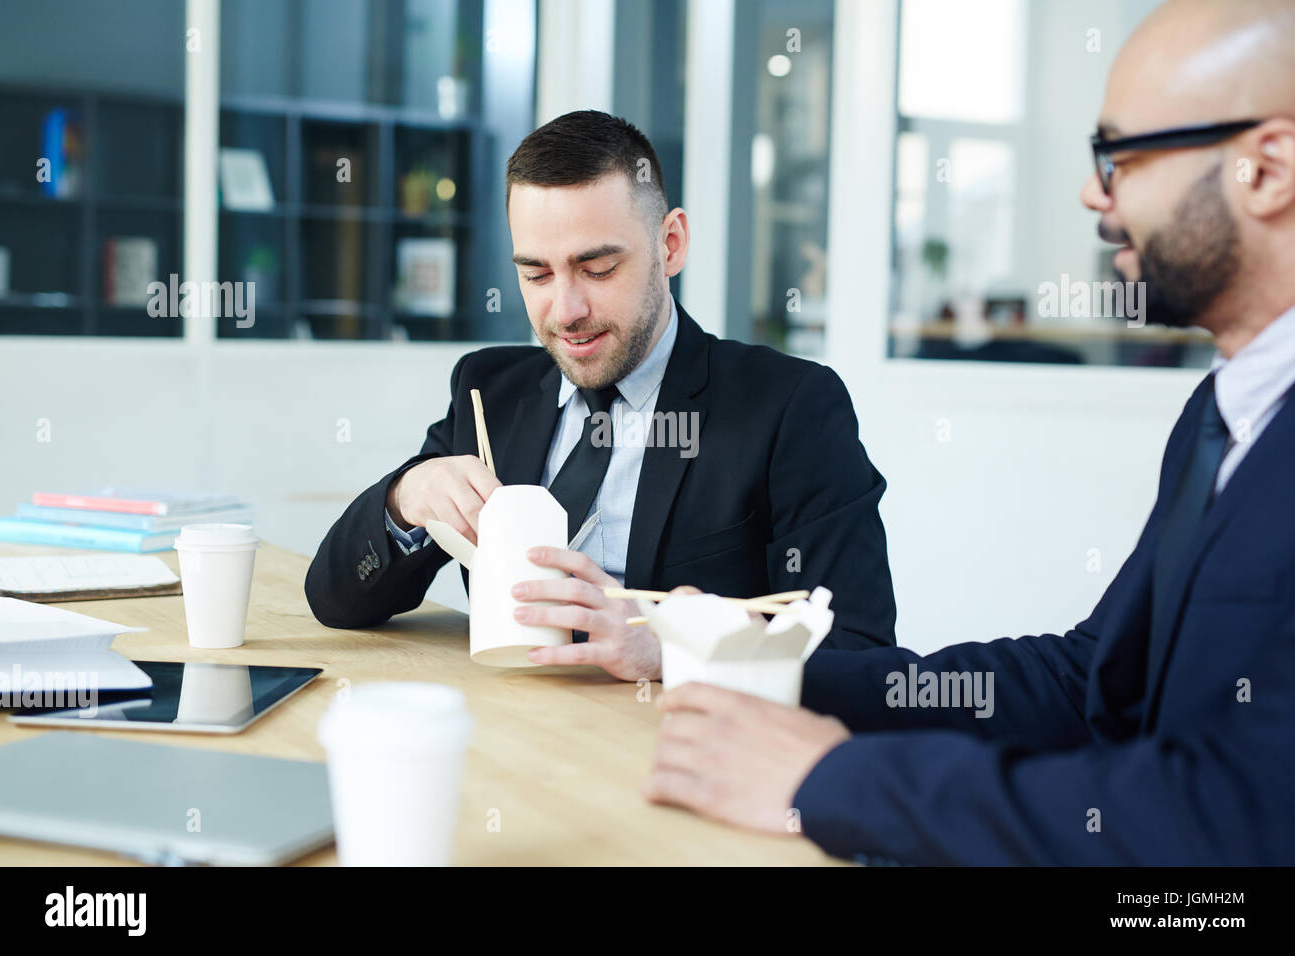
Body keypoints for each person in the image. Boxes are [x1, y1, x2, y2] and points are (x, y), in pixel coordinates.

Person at [643, 0, 1295, 864]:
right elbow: (1084, 683)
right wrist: (755, 666)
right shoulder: (1223, 416)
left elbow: (1233, 820)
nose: (1093, 192)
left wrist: (833, 782)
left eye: (1121, 155)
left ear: (1268, 167)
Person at [305, 110, 897, 681]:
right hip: (514, 739)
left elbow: (859, 653)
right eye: (536, 275)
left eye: (598, 269)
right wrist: (407, 499)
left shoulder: (790, 408)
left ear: (670, 245)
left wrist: (672, 651)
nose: (566, 311)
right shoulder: (488, 392)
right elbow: (334, 599)